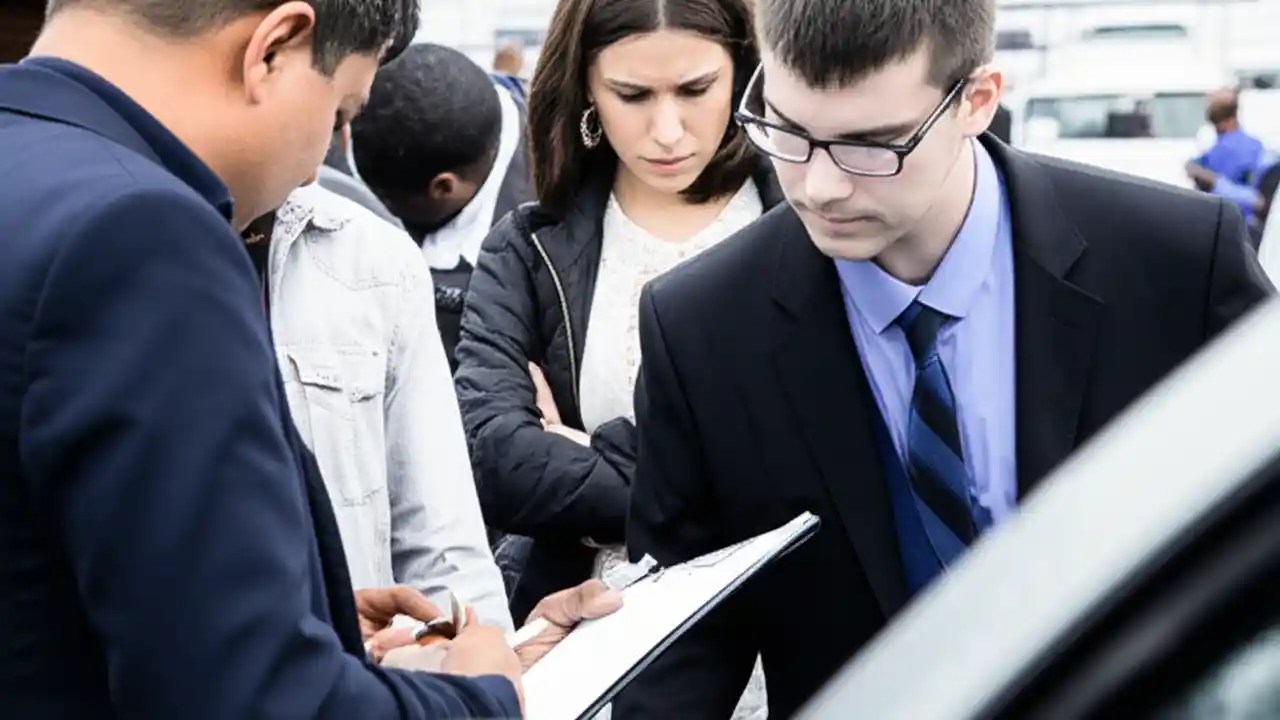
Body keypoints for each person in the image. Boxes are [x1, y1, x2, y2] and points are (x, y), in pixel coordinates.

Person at [616, 0, 1274, 717]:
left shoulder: (1176, 264)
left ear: (978, 101)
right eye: (787, 131)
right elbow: (681, 660)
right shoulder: (702, 329)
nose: (819, 185)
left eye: (873, 145)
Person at [0, 1, 617, 716]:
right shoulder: (145, 236)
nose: (315, 167)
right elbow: (254, 701)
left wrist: (305, 621)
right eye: (338, 113)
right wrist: (481, 697)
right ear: (275, 48)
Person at [454, 0, 781, 627]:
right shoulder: (527, 250)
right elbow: (497, 462)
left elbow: (814, 468)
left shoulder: (806, 228)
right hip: (586, 631)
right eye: (632, 95)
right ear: (585, 89)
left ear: (743, 72)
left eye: (696, 90)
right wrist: (713, 482)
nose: (667, 130)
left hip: (781, 633)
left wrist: (584, 454)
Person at [242, 181, 512, 630]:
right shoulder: (118, 246)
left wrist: (489, 674)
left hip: (360, 683)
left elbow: (442, 545)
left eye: (345, 118)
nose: (336, 134)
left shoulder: (370, 255)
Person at [352, 43, 534, 373]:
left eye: (389, 203)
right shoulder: (349, 139)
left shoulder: (550, 231)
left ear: (444, 187)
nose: (374, 210)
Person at [1186, 87, 1269, 225]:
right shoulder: (1255, 145)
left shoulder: (1233, 149)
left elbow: (1257, 200)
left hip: (1242, 229)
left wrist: (1212, 181)